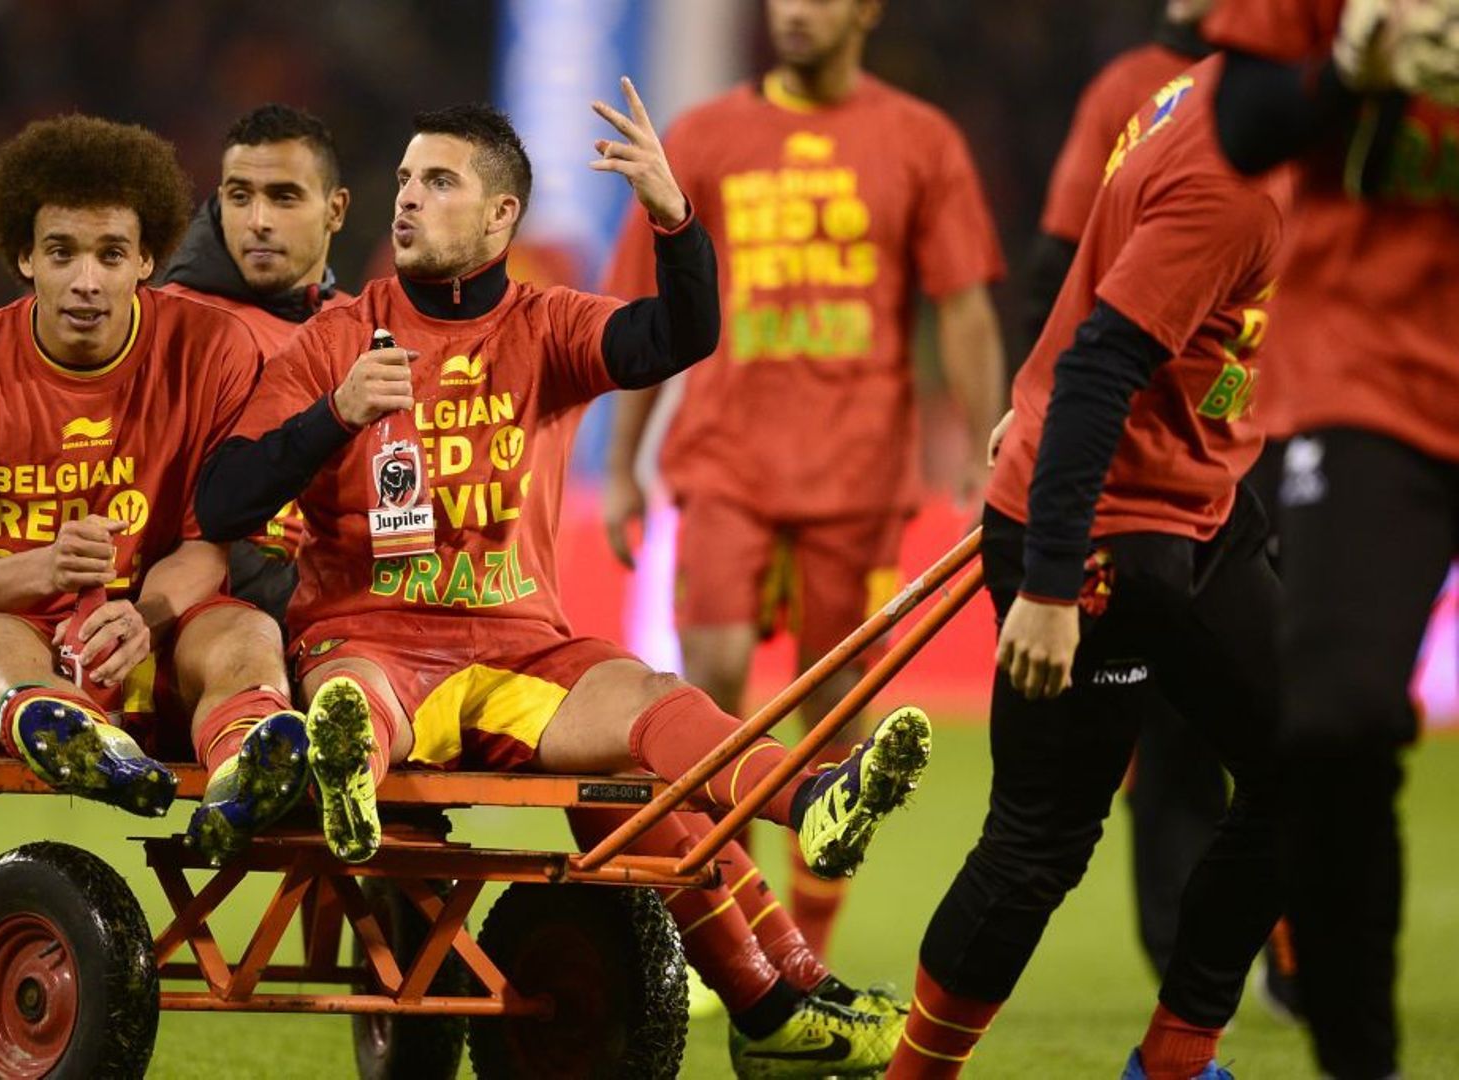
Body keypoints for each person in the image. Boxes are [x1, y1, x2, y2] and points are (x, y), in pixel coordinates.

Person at [194, 87, 931, 1075]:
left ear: (502, 217)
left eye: (439, 182)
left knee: (653, 700)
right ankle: (352, 795)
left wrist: (675, 219)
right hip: (373, 645)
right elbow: (223, 499)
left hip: (519, 652)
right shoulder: (337, 337)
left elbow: (680, 336)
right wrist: (334, 413)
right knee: (349, 706)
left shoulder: (547, 329)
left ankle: (815, 802)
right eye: (405, 180)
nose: (406, 199)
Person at [883, 55, 1293, 1079]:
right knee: (1041, 843)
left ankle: (1175, 1061)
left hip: (1192, 504)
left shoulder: (1209, 95)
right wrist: (1053, 584)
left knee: (1312, 762)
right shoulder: (1230, 182)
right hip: (1104, 527)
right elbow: (1106, 359)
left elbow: (1106, 278)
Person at [598, 0, 1006, 960]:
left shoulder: (920, 141)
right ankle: (717, 942)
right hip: (726, 461)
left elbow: (967, 312)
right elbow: (641, 312)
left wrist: (990, 458)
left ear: (866, 12)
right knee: (716, 683)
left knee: (839, 717)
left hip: (859, 474)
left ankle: (804, 945)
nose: (792, 12)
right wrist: (620, 465)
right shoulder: (704, 137)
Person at [0, 114, 299, 819]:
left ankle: (246, 771)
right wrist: (41, 570)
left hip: (152, 640)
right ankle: (73, 735)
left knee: (248, 633)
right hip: (8, 642)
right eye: (62, 253)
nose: (86, 281)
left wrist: (145, 617)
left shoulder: (215, 352)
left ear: (148, 259)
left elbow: (206, 544)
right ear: (24, 257)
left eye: (111, 254)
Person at [1203, 2, 1459, 1075]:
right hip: (1372, 376)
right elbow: (1248, 123)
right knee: (1332, 726)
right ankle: (1362, 1062)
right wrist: (1349, 67)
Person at [159, 103, 352, 632]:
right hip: (223, 619)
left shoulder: (365, 325)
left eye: (284, 197)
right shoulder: (173, 328)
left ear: (336, 210)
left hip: (337, 603)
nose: (258, 221)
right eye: (240, 196)